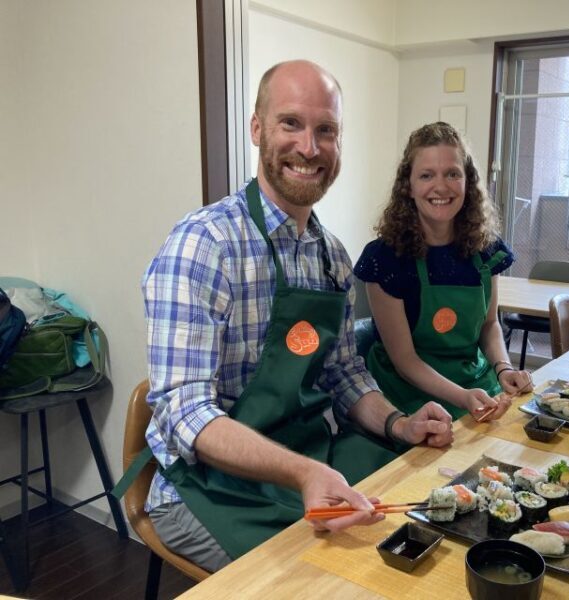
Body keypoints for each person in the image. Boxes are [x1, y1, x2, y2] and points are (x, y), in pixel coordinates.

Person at [127, 61, 454, 573]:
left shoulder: (332, 257)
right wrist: (302, 473)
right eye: (291, 124)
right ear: (257, 129)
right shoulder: (204, 246)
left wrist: (398, 423)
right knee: (336, 578)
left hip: (308, 458)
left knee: (418, 523)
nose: (309, 147)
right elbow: (184, 414)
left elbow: (344, 373)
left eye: (326, 130)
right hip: (208, 486)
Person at [354, 122, 531, 421]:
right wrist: (462, 398)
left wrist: (503, 368)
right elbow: (405, 361)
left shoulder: (486, 249)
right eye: (426, 175)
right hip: (408, 397)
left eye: (452, 174)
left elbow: (489, 326)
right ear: (408, 186)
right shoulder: (385, 259)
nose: (441, 186)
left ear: (467, 182)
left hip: (476, 384)